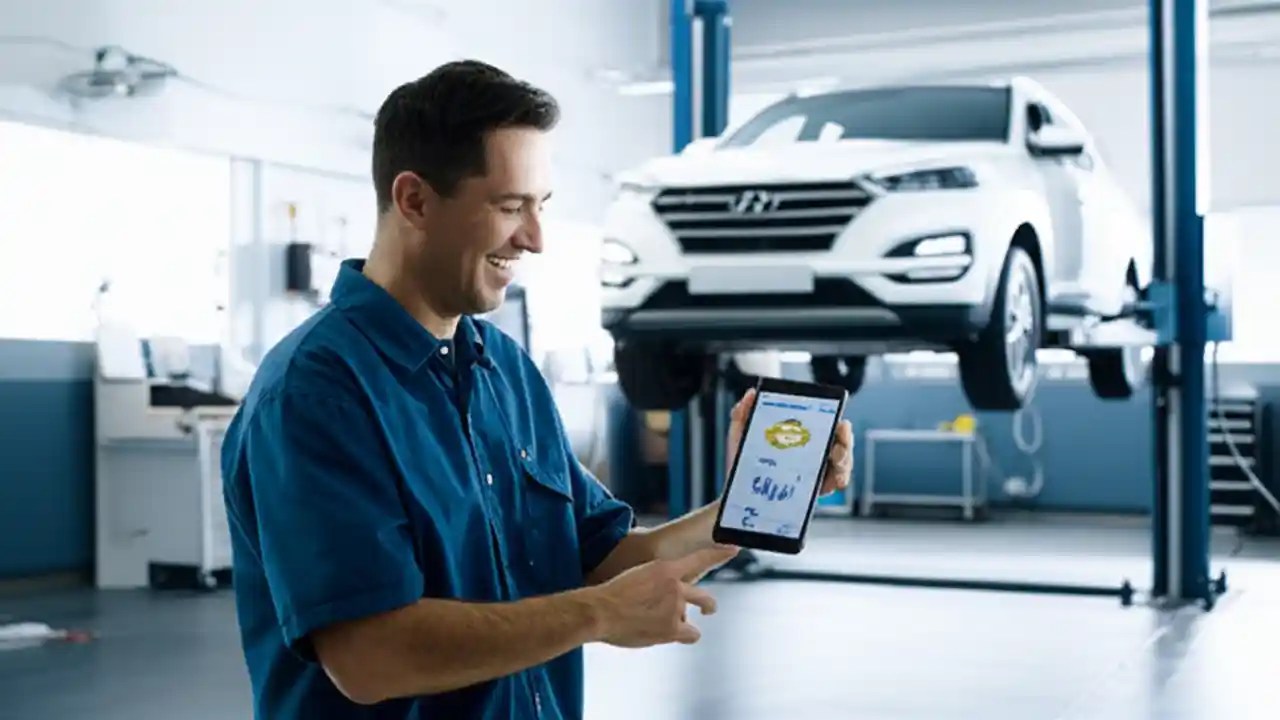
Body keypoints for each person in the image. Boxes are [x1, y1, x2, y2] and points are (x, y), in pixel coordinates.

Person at [220, 59, 855, 720]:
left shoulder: (505, 370)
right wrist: (596, 615)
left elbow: (606, 557)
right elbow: (372, 654)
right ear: (414, 201)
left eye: (541, 206)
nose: (535, 238)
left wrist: (755, 506)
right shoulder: (316, 395)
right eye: (508, 206)